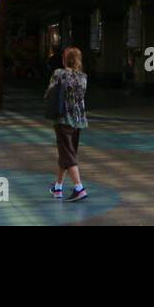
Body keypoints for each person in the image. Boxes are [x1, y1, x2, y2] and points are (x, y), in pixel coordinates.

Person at [47, 46, 89, 201]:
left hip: (63, 119)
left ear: (65, 59)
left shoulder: (59, 74)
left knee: (68, 154)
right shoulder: (83, 77)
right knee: (67, 153)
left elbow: (50, 92)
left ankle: (79, 188)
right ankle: (58, 187)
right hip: (78, 121)